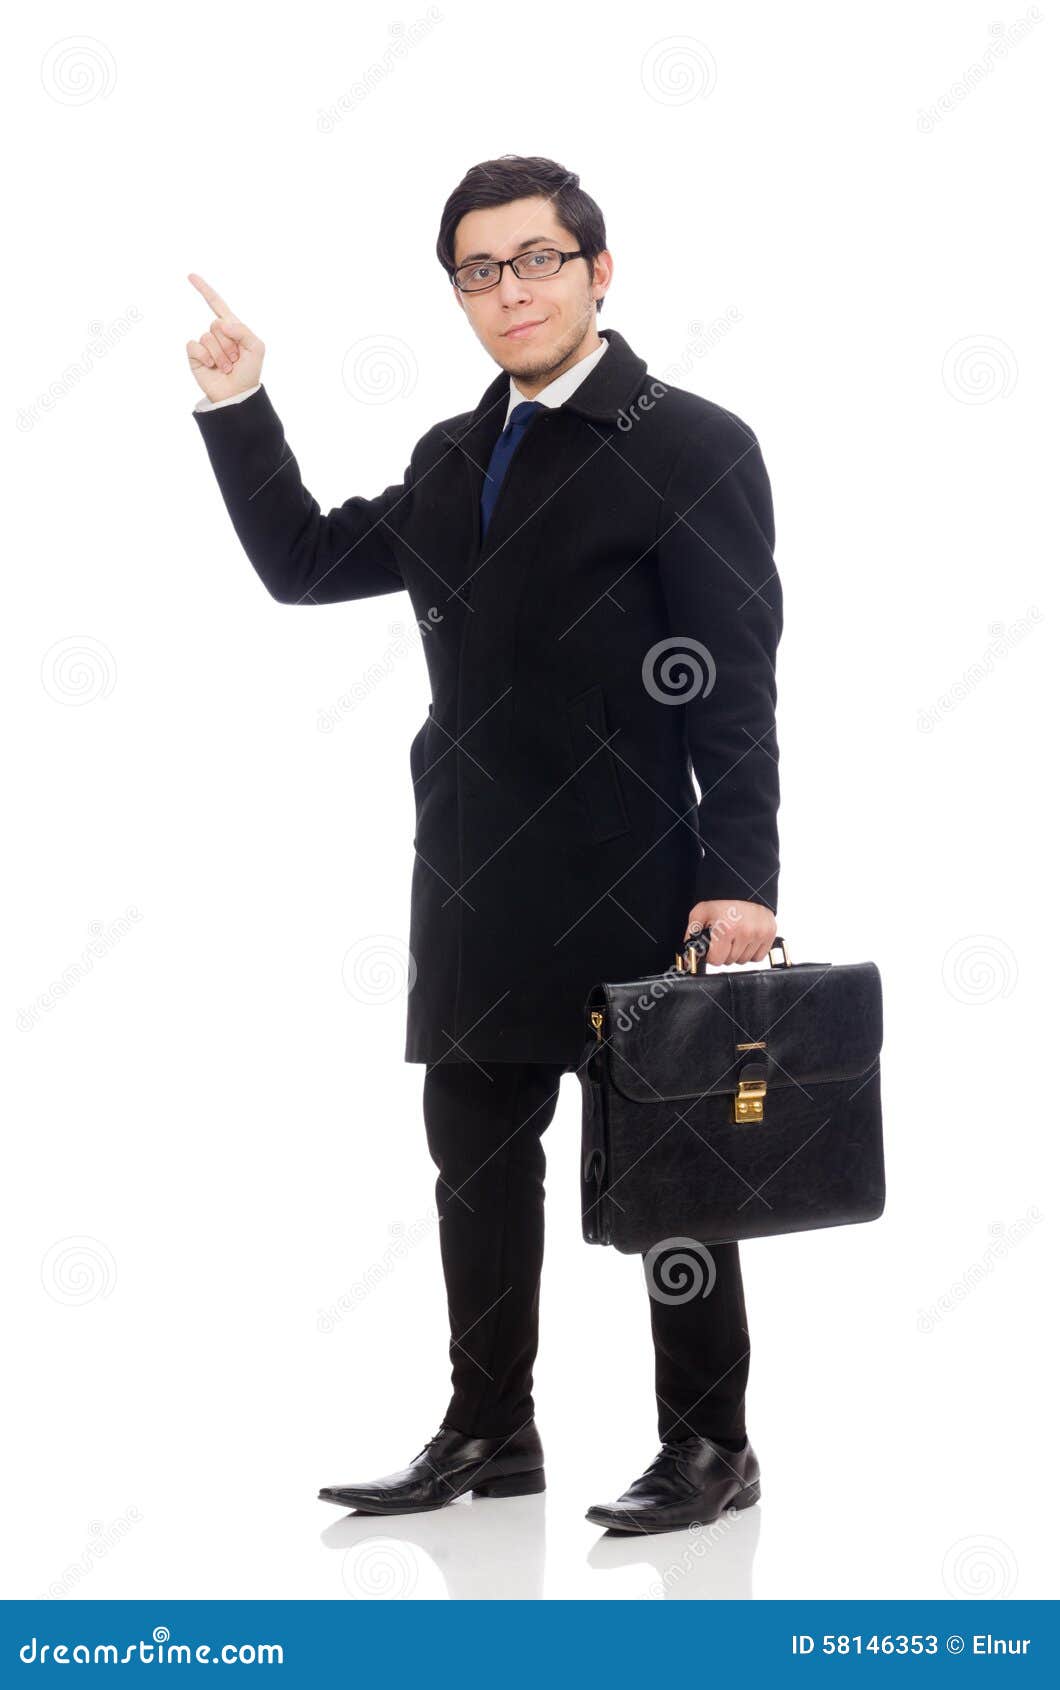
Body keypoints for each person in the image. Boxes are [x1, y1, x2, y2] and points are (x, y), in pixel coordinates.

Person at [187, 153, 781, 1535]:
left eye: (538, 259)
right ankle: (490, 1431)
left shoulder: (692, 444)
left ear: (598, 271)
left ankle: (711, 1442)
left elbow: (735, 678)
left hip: (644, 871)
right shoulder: (454, 458)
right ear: (456, 292)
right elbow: (307, 565)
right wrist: (237, 398)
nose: (510, 289)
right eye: (479, 269)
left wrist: (740, 877)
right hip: (470, 878)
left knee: (670, 1176)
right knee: (473, 1167)